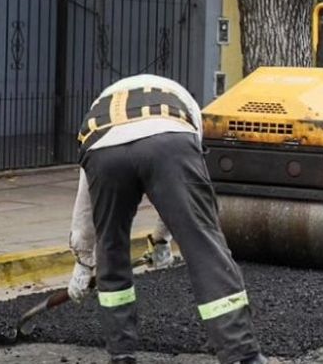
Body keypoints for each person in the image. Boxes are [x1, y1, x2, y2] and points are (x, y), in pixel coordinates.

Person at [66, 73, 268, 364]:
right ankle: (242, 354)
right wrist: (163, 241)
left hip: (103, 152)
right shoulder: (182, 105)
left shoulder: (100, 111)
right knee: (203, 245)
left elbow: (86, 205)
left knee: (110, 248)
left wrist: (84, 261)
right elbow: (180, 203)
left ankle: (121, 354)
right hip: (168, 143)